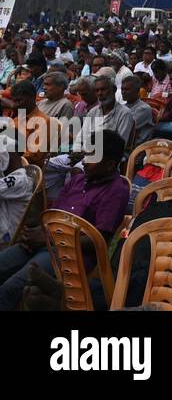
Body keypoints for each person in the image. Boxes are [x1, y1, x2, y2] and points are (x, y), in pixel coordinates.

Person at [0, 130, 129, 311]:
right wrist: (34, 234)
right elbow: (53, 214)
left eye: (92, 157)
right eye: (86, 153)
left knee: (9, 290)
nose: (85, 161)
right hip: (44, 243)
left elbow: (97, 240)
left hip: (70, 254)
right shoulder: (78, 180)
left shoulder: (116, 190)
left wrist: (47, 238)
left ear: (109, 165)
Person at [121, 74, 156, 144]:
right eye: (122, 89)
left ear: (137, 91)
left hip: (135, 149)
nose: (123, 92)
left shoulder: (144, 109)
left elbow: (125, 127)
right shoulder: (123, 106)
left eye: (127, 89)